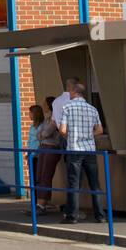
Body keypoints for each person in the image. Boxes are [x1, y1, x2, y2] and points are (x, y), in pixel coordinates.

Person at [58, 83, 105, 224]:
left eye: (69, 91)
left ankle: (72, 216)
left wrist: (71, 137)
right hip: (90, 149)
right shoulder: (92, 109)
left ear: (74, 92)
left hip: (74, 149)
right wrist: (88, 135)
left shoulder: (67, 108)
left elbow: (62, 130)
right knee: (95, 183)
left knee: (74, 184)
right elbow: (100, 130)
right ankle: (100, 215)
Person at [35, 96, 63, 212]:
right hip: (44, 147)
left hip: (52, 148)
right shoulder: (47, 119)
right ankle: (39, 201)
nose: (43, 106)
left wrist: (42, 135)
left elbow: (46, 133)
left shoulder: (55, 119)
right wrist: (42, 135)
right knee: (39, 174)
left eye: (45, 104)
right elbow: (39, 134)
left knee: (46, 175)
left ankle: (42, 203)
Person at [22, 104, 43, 216]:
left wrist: (33, 153)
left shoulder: (41, 127)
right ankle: (33, 204)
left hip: (38, 156)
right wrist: (28, 152)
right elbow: (30, 141)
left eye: (30, 112)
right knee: (32, 180)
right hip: (32, 155)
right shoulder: (31, 127)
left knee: (38, 179)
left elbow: (40, 143)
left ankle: (39, 204)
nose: (29, 115)